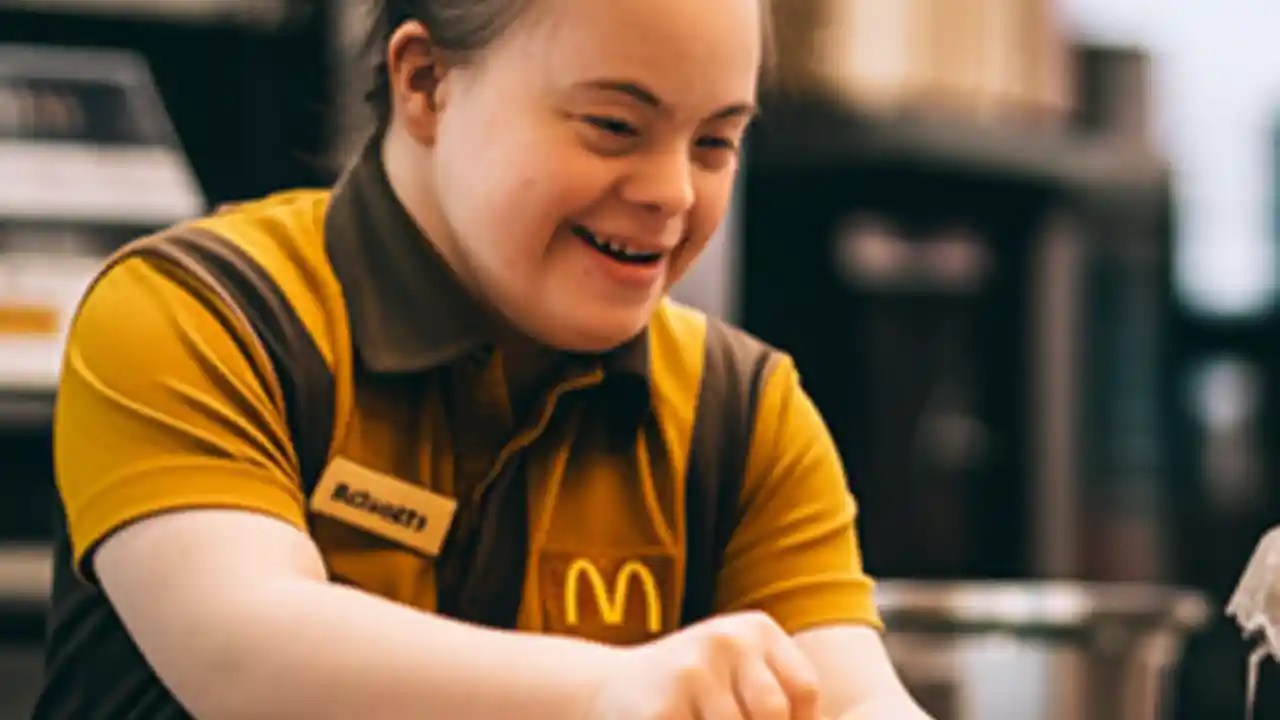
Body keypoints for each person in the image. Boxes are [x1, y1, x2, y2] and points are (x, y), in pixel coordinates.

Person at [36, 0, 933, 718]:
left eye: (714, 142)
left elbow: (853, 696)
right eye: (614, 126)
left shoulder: (739, 412)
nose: (670, 193)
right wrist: (607, 690)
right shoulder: (201, 314)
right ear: (425, 82)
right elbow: (243, 655)